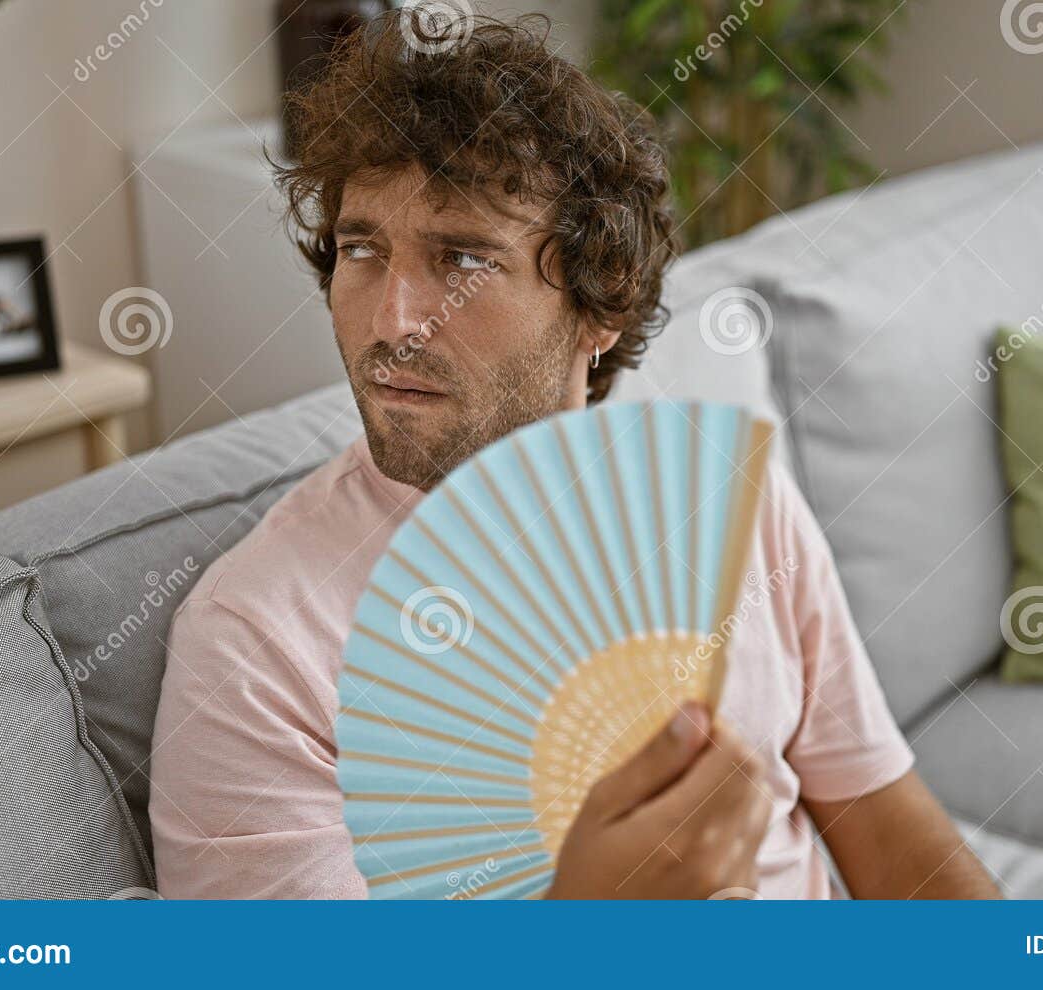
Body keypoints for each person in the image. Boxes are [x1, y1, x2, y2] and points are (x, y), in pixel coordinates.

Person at [149, 11, 999, 900]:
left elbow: (892, 830)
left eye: (462, 260)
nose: (394, 321)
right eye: (363, 249)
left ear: (604, 306)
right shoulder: (256, 647)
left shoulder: (729, 496)